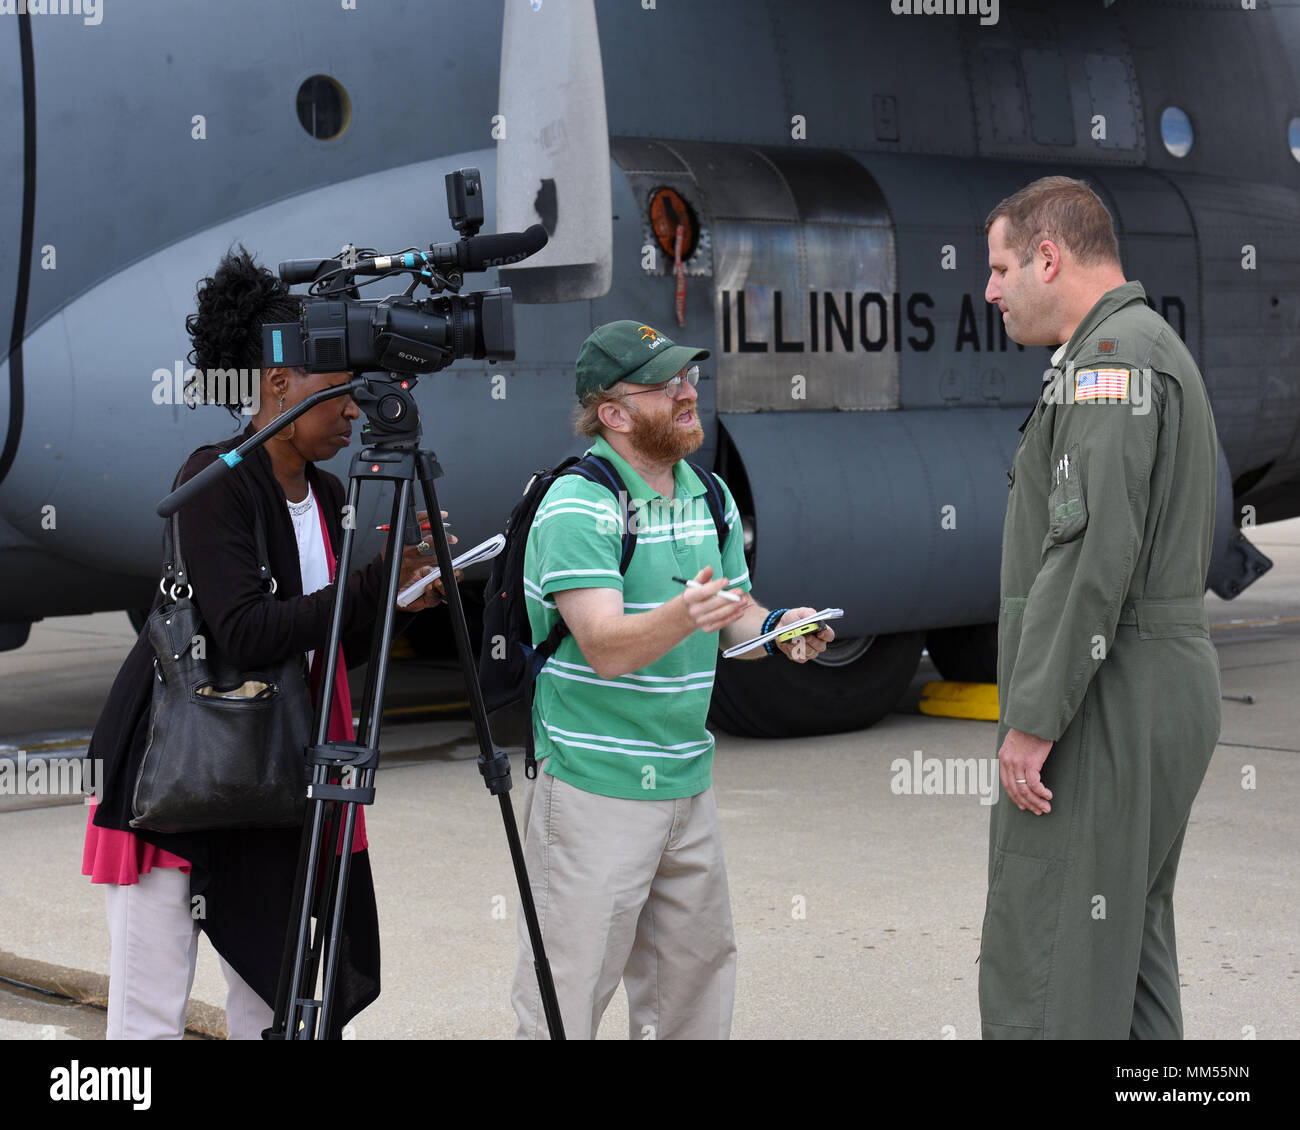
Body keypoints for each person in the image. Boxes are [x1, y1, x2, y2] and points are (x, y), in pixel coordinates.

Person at [83, 246, 448, 1039]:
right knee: (148, 1015)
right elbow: (245, 633)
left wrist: (399, 604)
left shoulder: (324, 494)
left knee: (273, 1001)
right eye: (340, 392)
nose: (356, 412)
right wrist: (366, 586)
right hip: (177, 778)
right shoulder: (214, 478)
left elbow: (315, 659)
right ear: (277, 385)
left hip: (270, 774)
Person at [510, 319, 834, 1040]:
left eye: (688, 378)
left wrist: (779, 630)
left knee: (693, 991)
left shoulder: (709, 495)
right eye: (665, 386)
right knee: (568, 995)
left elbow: (733, 621)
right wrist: (685, 614)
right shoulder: (577, 505)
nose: (688, 394)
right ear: (613, 413)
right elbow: (605, 648)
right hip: (595, 788)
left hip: (687, 783)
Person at [978, 177, 1221, 1039]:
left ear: (1050, 256)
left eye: (1003, 266)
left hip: (1109, 693)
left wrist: (1035, 717)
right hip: (1150, 681)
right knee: (1127, 954)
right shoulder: (1141, 348)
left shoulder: (1109, 364)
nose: (991, 289)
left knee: (1047, 964)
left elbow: (1089, 555)